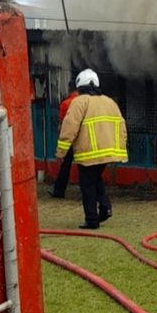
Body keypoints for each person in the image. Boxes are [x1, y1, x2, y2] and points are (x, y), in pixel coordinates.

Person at [55, 69, 127, 229]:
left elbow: (69, 128)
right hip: (110, 151)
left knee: (86, 184)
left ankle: (92, 220)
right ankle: (105, 208)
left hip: (89, 153)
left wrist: (61, 152)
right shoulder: (110, 102)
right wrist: (121, 149)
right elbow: (122, 126)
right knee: (95, 178)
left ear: (79, 85)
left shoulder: (79, 102)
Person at [48, 85, 79, 198]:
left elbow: (61, 123)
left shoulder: (65, 103)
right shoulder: (85, 102)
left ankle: (59, 190)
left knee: (65, 165)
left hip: (69, 138)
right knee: (86, 165)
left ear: (70, 90)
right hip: (82, 138)